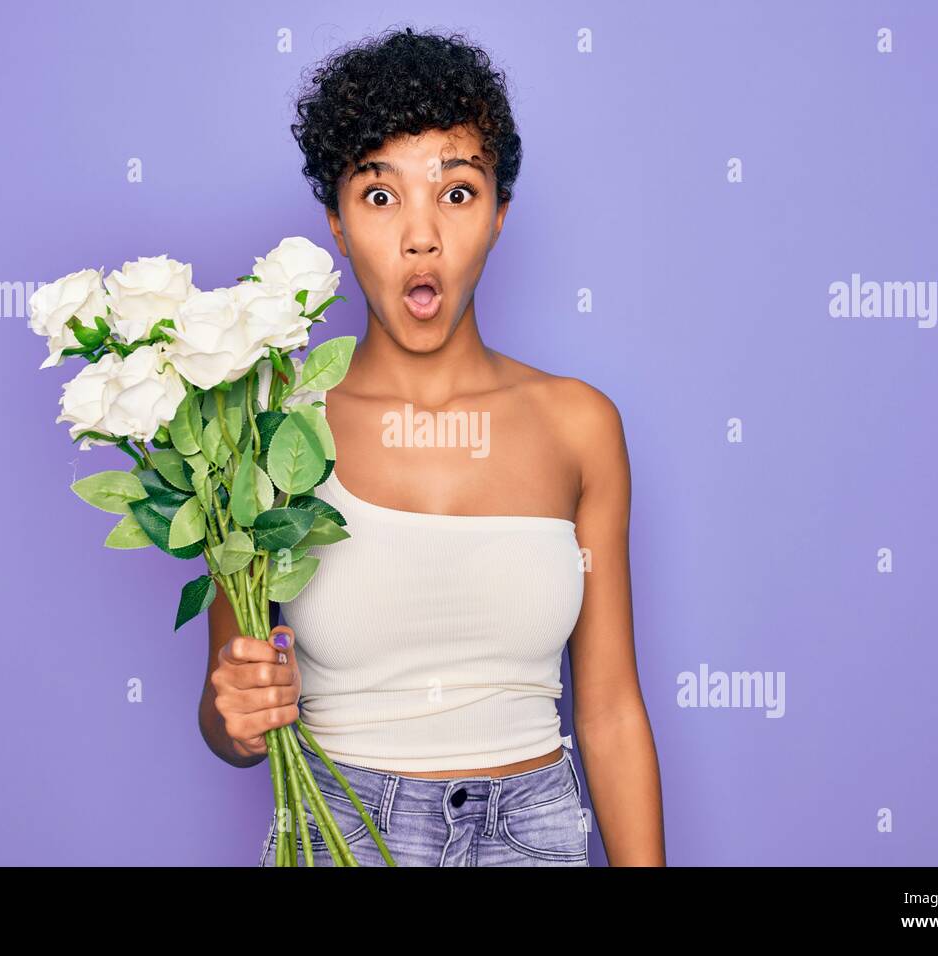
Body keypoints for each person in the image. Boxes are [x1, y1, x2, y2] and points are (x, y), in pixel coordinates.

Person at [200, 25, 665, 867]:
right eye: (380, 197)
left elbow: (610, 711)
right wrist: (234, 713)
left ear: (498, 217)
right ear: (337, 225)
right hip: (341, 832)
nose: (422, 237)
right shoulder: (266, 424)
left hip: (538, 836)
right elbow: (228, 716)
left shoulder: (580, 427)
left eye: (456, 193)